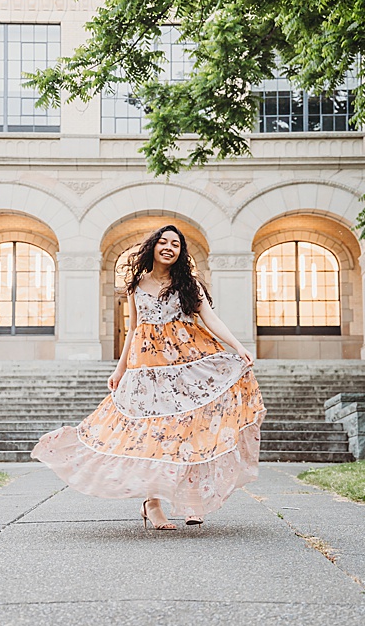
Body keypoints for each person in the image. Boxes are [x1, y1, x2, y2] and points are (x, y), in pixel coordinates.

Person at [32, 225, 263, 530]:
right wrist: (120, 369)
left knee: (187, 431)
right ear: (153, 247)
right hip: (146, 372)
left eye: (176, 244)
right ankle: (152, 504)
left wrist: (238, 346)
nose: (169, 247)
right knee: (152, 435)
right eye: (164, 242)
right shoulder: (135, 285)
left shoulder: (188, 284)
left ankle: (191, 500)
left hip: (185, 367)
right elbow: (133, 330)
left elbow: (210, 318)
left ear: (181, 252)